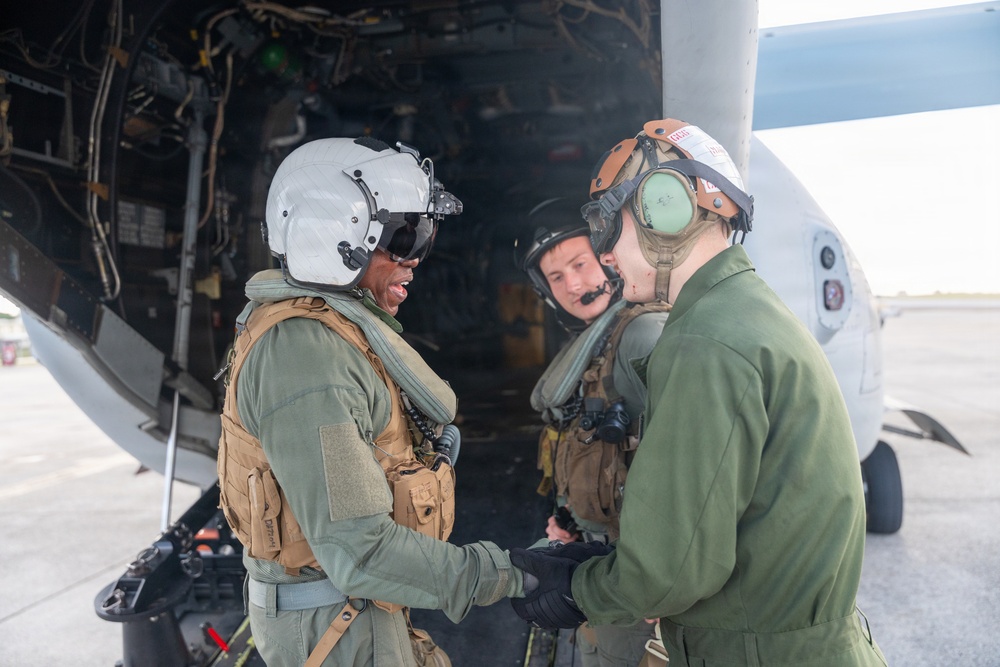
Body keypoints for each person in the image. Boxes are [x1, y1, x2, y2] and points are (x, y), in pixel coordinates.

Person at [510, 118, 888, 667]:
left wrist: (578, 590)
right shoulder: (744, 311)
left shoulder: (702, 342)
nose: (607, 256)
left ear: (664, 211)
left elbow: (668, 573)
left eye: (609, 230)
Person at [216, 137, 523, 667]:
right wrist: (513, 573)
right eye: (403, 237)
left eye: (422, 237)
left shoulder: (327, 333)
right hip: (337, 624)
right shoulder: (306, 356)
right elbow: (361, 552)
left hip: (353, 610)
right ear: (331, 235)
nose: (415, 259)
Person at [519, 199, 668, 666]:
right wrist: (569, 525)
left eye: (579, 264)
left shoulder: (642, 336)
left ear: (607, 256)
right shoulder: (595, 346)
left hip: (636, 582)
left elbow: (682, 470)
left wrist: (663, 581)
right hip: (597, 565)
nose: (573, 285)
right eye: (556, 277)